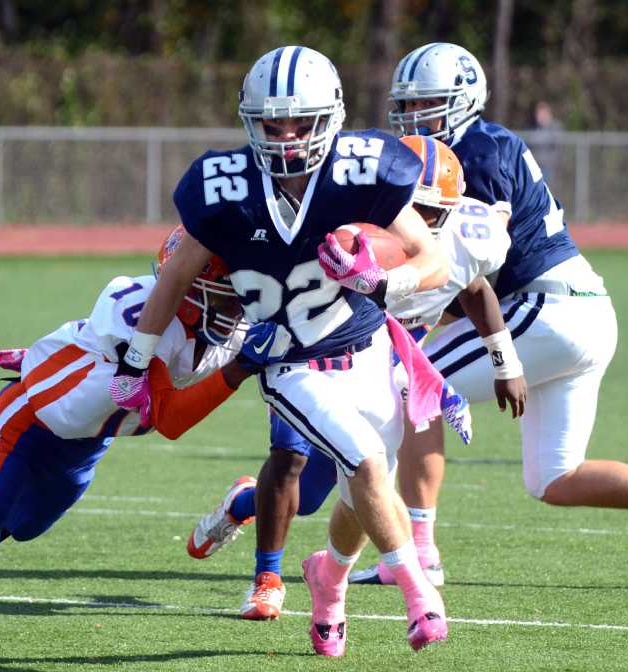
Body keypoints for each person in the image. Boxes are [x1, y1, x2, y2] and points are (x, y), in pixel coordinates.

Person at [348, 42, 628, 587]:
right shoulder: (480, 147)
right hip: (584, 312)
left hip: (544, 306)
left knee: (413, 383)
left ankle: (420, 553)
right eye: (407, 107)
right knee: (553, 477)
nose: (413, 119)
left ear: (463, 102)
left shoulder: (475, 154)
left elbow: (475, 267)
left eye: (427, 105)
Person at [109, 46, 452, 656]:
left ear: (333, 117)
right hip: (290, 361)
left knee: (356, 493)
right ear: (251, 121)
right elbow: (173, 277)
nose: (287, 135)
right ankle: (419, 595)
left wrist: (380, 282)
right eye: (273, 122)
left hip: (368, 348)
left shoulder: (366, 170)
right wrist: (136, 359)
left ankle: (329, 579)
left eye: (301, 121)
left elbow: (435, 260)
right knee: (368, 463)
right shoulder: (222, 187)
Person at [184, 134, 528, 617]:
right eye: (411, 206)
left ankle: (244, 503)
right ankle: (269, 578)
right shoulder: (348, 229)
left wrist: (502, 361)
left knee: (322, 499)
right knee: (290, 460)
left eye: (430, 212)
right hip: (305, 356)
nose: (419, 221)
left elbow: (473, 292)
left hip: (374, 370)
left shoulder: (457, 241)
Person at [0, 226, 272, 636]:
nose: (241, 301)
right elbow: (170, 419)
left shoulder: (219, 333)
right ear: (190, 282)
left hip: (85, 446)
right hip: (26, 429)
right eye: (230, 288)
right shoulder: (147, 315)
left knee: (26, 526)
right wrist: (241, 369)